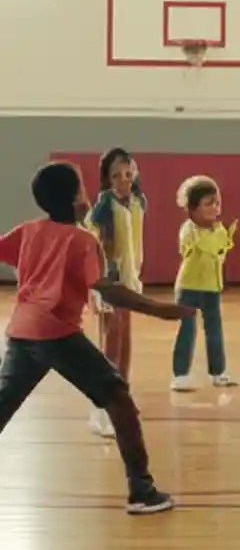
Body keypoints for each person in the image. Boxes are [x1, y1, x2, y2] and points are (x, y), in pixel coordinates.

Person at [0, 161, 192, 514]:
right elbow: (107, 290)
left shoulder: (28, 230)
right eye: (82, 188)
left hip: (22, 334)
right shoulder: (82, 241)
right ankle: (142, 491)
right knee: (119, 400)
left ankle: (142, 489)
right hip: (57, 335)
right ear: (75, 197)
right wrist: (158, 309)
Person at [85, 148, 147, 438]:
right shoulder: (104, 204)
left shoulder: (138, 201)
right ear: (107, 179)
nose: (124, 180)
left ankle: (122, 398)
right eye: (116, 175)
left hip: (130, 280)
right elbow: (92, 234)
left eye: (128, 173)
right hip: (110, 280)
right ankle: (101, 409)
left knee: (126, 342)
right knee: (110, 344)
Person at [170, 175, 238, 391]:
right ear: (192, 209)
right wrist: (221, 239)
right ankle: (180, 374)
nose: (215, 208)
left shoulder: (219, 230)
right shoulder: (188, 230)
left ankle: (218, 372)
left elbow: (221, 251)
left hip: (212, 288)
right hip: (189, 286)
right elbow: (206, 247)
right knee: (187, 330)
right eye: (208, 204)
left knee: (214, 330)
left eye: (216, 203)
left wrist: (224, 237)